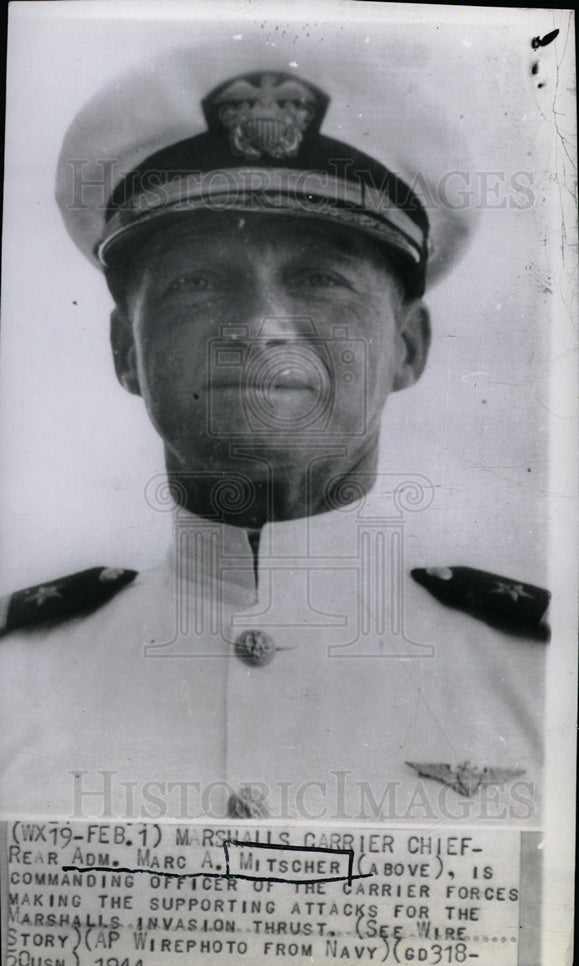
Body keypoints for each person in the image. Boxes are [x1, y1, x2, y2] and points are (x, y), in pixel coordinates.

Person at [0, 55, 548, 823]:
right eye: (197, 282)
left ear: (408, 348)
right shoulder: (17, 679)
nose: (258, 327)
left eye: (320, 279)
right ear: (126, 350)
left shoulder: (534, 683)